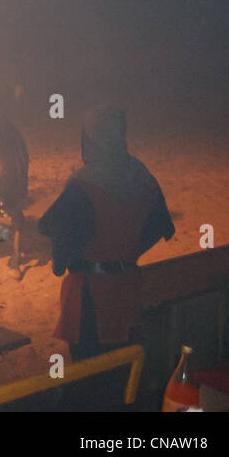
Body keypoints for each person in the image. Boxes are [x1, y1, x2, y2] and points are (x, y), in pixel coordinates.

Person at [39, 107, 174, 362]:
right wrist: (127, 252)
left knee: (89, 374)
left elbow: (58, 236)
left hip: (89, 300)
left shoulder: (82, 185)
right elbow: (161, 226)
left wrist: (63, 261)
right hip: (129, 288)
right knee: (123, 368)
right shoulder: (141, 176)